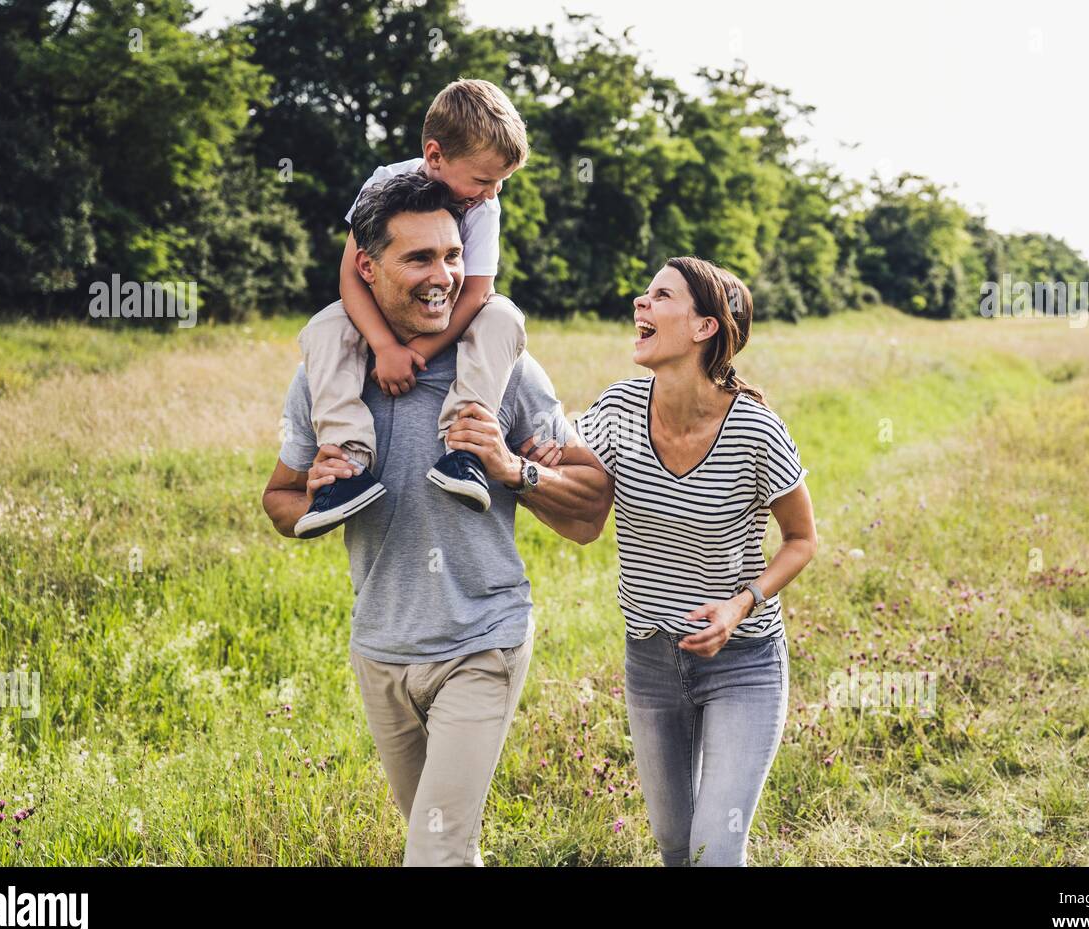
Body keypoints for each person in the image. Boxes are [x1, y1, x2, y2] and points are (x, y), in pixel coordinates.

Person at [261, 173, 611, 865]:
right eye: (420, 259)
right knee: (446, 847)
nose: (445, 276)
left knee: (435, 852)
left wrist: (514, 470)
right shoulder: (329, 374)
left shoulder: (503, 367)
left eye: (453, 256)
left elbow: (591, 509)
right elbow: (278, 499)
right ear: (367, 267)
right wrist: (319, 490)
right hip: (381, 649)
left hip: (483, 639)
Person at [565, 256, 819, 866]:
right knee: (677, 850)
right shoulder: (621, 407)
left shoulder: (756, 429)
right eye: (645, 294)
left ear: (705, 327)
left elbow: (802, 540)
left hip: (743, 663)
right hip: (651, 661)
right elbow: (562, 462)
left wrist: (739, 606)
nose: (640, 304)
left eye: (660, 295)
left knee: (713, 851)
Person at [293, 78, 536, 538]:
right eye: (484, 180)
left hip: (445, 317)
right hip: (386, 316)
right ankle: (347, 467)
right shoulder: (384, 184)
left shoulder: (484, 206)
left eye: (502, 182)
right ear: (435, 156)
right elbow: (350, 276)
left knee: (503, 316)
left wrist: (420, 351)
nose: (492, 193)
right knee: (326, 327)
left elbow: (478, 292)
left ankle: (462, 450)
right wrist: (384, 346)